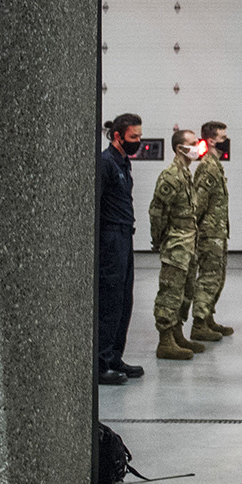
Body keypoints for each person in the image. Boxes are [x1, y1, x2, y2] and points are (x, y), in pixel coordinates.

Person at [96, 114, 146, 386]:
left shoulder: (123, 163)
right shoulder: (105, 163)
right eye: (133, 138)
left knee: (125, 300)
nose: (137, 142)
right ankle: (101, 363)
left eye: (139, 137)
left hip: (125, 236)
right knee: (110, 302)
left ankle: (115, 357)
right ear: (117, 136)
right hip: (111, 238)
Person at [148, 130, 207, 361]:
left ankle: (177, 334)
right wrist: (161, 239)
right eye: (192, 144)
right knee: (170, 292)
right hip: (176, 245)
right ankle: (165, 341)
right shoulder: (170, 176)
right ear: (179, 148)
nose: (196, 147)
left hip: (188, 244)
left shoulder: (186, 175)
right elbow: (157, 212)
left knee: (185, 291)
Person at [188, 121, 234, 342]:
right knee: (208, 278)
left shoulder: (216, 164)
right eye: (223, 137)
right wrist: (195, 232)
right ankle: (198, 323)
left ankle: (207, 317)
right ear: (212, 140)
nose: (227, 141)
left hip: (218, 233)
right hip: (209, 234)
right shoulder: (207, 167)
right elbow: (198, 203)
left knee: (218, 277)